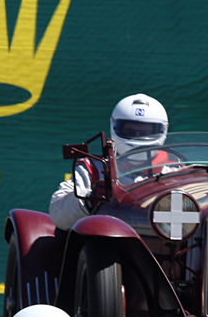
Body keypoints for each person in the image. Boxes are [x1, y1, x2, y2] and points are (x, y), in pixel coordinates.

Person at [49, 93, 170, 230]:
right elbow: (57, 214)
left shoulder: (176, 172)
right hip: (106, 245)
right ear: (115, 127)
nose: (138, 137)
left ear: (162, 130)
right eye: (130, 131)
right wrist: (89, 200)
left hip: (164, 246)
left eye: (146, 132)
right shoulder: (93, 168)